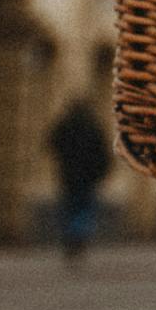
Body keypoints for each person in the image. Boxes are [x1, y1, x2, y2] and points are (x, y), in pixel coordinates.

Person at [49, 92, 110, 259]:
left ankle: (70, 237)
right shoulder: (93, 127)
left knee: (69, 207)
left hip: (68, 175)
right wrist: (101, 172)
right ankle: (78, 237)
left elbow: (51, 142)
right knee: (84, 209)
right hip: (88, 178)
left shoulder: (65, 125)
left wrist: (63, 160)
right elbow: (103, 154)